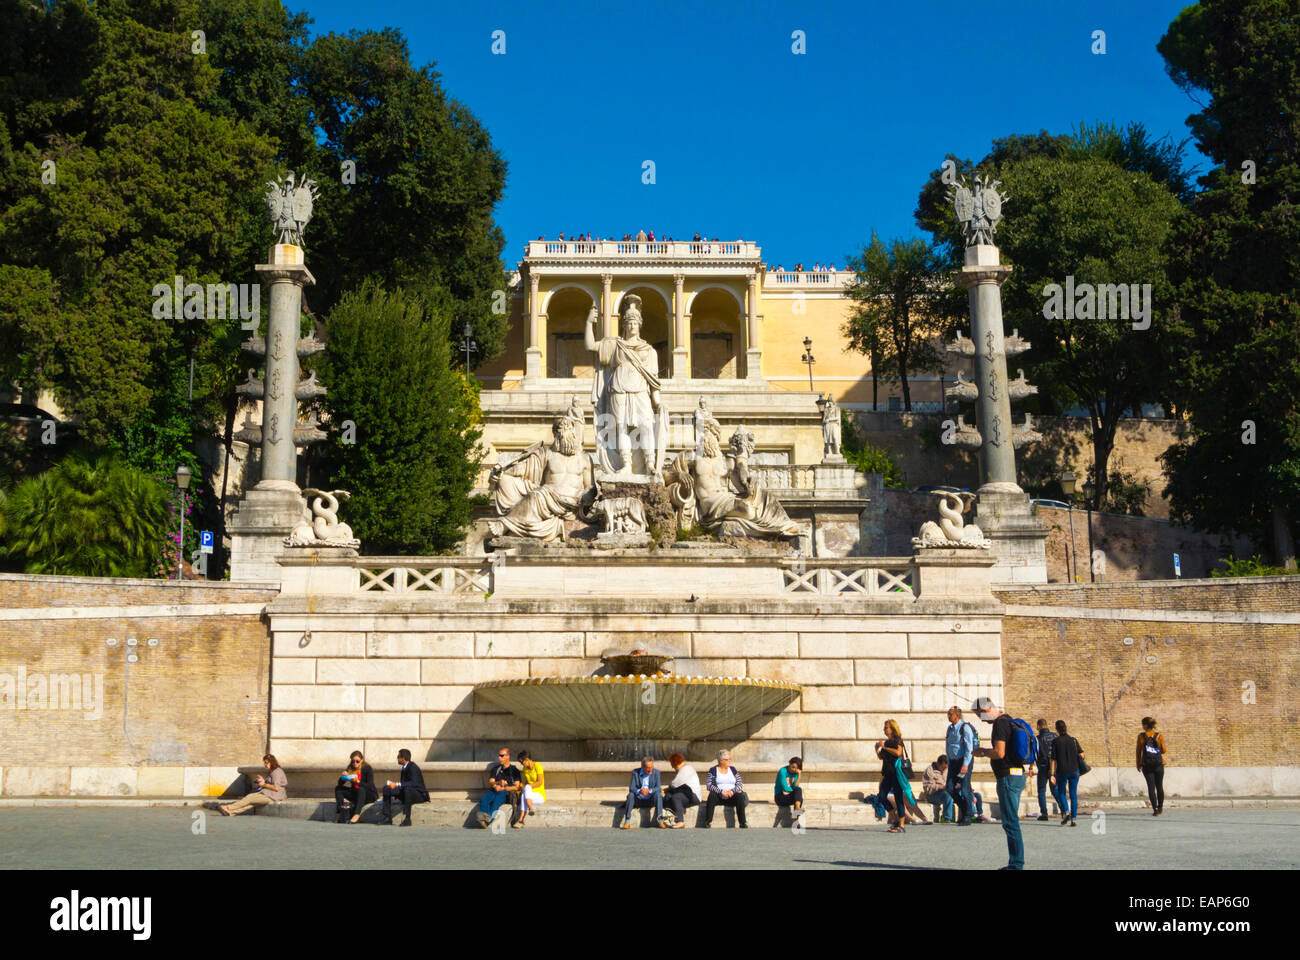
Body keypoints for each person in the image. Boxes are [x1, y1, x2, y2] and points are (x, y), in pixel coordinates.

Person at [973, 697, 1028, 869]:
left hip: (1007, 777)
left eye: (979, 715)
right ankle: (1016, 863)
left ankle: (1016, 864)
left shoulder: (999, 724)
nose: (981, 720)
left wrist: (982, 751)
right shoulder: (1010, 720)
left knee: (1010, 822)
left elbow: (999, 752)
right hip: (1018, 775)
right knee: (1012, 821)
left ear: (987, 709)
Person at [220, 754, 286, 816]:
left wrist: (264, 784)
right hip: (271, 794)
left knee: (250, 797)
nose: (265, 765)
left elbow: (276, 788)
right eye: (264, 763)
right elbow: (271, 784)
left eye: (266, 763)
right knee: (252, 803)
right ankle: (231, 813)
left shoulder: (277, 772)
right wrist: (263, 781)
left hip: (274, 796)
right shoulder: (272, 771)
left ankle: (228, 808)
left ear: (272, 762)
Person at [944, 706, 976, 825]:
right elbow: (948, 745)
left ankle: (967, 816)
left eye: (950, 714)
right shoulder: (950, 729)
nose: (948, 716)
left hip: (964, 761)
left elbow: (969, 747)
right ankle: (965, 809)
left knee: (965, 788)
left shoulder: (964, 728)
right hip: (953, 762)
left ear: (957, 715)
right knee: (950, 787)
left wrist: (966, 764)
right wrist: (948, 760)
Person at [875, 719, 908, 833]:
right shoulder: (887, 742)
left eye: (886, 727)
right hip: (887, 773)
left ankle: (902, 825)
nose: (884, 729)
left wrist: (884, 747)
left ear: (892, 729)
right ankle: (895, 819)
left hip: (897, 773)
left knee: (898, 798)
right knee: (882, 796)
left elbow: (898, 753)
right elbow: (882, 757)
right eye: (884, 727)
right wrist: (877, 749)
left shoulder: (898, 740)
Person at [379, 749, 428, 826]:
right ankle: (387, 816)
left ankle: (407, 818)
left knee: (407, 790)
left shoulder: (413, 767)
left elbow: (413, 783)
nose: (397, 758)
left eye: (398, 756)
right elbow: (404, 784)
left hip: (418, 794)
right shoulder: (404, 767)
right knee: (387, 788)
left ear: (403, 758)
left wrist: (397, 784)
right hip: (406, 791)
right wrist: (394, 786)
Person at [1050, 720, 1085, 827]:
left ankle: (1066, 811)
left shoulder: (1055, 741)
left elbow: (1053, 759)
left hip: (1062, 771)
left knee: (1061, 793)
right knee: (1073, 795)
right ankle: (1073, 820)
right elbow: (1082, 755)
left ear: (1057, 729)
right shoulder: (1073, 740)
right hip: (1074, 771)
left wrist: (1052, 774)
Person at [477, 746, 522, 827]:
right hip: (495, 790)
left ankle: (488, 820)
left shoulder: (514, 770)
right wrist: (498, 783)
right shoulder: (496, 769)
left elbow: (516, 787)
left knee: (496, 802)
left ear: (508, 756)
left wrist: (503, 788)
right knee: (484, 799)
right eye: (499, 755)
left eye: (502, 756)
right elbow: (491, 782)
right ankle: (483, 819)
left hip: (506, 793)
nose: (499, 757)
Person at [701, 750, 748, 828]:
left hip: (731, 795)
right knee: (712, 795)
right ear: (721, 761)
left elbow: (740, 784)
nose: (729, 761)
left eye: (730, 759)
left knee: (739, 796)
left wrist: (732, 791)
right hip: (719, 796)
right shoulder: (713, 770)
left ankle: (742, 823)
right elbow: (709, 785)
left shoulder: (733, 769)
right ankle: (708, 822)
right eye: (727, 760)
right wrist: (721, 792)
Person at [621, 756, 666, 828]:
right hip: (639, 799)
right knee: (631, 795)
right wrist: (639, 791)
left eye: (651, 767)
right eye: (648, 768)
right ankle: (627, 821)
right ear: (642, 767)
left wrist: (650, 790)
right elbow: (632, 788)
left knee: (658, 795)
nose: (650, 769)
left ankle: (660, 820)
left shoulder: (656, 772)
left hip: (651, 799)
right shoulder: (635, 772)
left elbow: (658, 788)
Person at [335, 750, 377, 824]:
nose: (355, 763)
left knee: (361, 789)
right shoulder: (350, 767)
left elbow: (370, 785)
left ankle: (357, 814)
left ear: (362, 760)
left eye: (357, 761)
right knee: (338, 789)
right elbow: (340, 784)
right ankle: (340, 811)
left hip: (368, 795)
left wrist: (358, 782)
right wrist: (342, 778)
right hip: (355, 793)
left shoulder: (367, 768)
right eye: (353, 761)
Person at [1137, 716, 1168, 816]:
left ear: (1146, 725)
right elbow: (1164, 750)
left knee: (1151, 787)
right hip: (1159, 764)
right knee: (1159, 786)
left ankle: (1154, 809)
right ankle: (1160, 807)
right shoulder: (1159, 736)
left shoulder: (1141, 736)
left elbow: (1138, 752)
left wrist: (1138, 764)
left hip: (1146, 764)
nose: (1142, 726)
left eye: (1143, 724)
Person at [1035, 718, 1063, 821]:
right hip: (1053, 767)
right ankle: (1064, 810)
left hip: (1042, 766)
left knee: (1041, 791)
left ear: (1039, 726)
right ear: (1047, 725)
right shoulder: (1055, 736)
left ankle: (1044, 813)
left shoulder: (1037, 739)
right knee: (1055, 789)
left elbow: (1035, 754)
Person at [663, 753, 701, 828]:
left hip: (694, 796)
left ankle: (680, 821)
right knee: (668, 796)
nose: (672, 767)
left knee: (676, 797)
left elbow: (675, 783)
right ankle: (668, 818)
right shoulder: (683, 769)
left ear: (675, 763)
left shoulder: (687, 769)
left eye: (672, 765)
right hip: (686, 794)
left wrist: (665, 789)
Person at [515, 749, 545, 828]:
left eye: (522, 762)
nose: (522, 764)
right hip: (530, 796)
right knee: (523, 795)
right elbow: (526, 783)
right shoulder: (525, 769)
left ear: (527, 759)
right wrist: (522, 786)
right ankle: (521, 820)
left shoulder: (538, 766)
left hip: (539, 795)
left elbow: (539, 782)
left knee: (526, 790)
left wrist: (527, 786)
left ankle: (529, 808)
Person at [921, 755, 953, 821]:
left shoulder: (947, 769)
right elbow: (927, 787)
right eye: (943, 767)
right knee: (947, 795)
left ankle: (969, 815)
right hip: (932, 795)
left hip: (946, 792)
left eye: (946, 768)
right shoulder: (929, 770)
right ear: (938, 763)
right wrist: (939, 787)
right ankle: (946, 818)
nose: (944, 769)